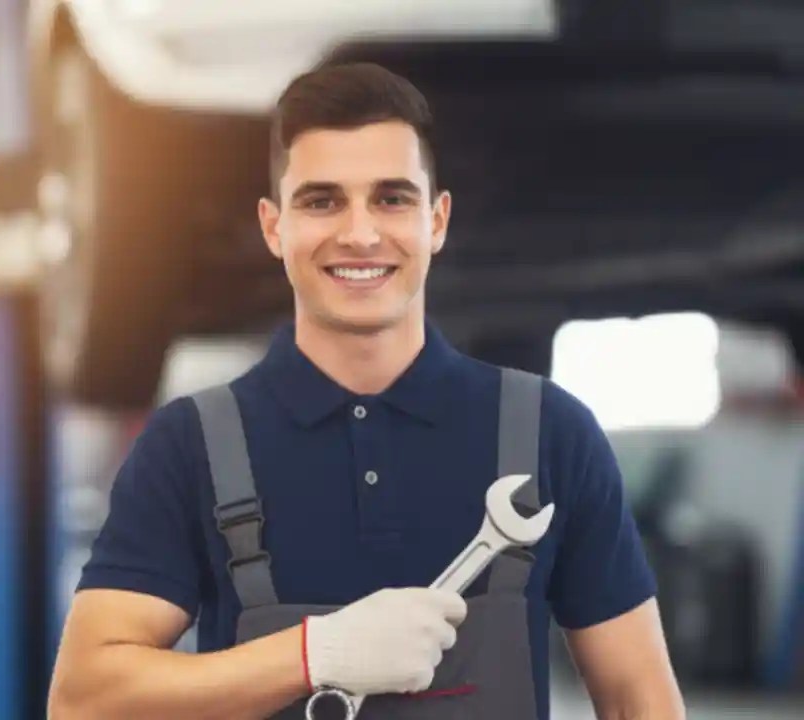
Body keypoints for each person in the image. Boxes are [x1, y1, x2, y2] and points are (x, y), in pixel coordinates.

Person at [47, 62, 685, 719]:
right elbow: (84, 701)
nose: (359, 232)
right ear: (275, 228)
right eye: (322, 200)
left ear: (436, 221)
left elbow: (642, 702)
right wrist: (312, 655)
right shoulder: (191, 446)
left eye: (391, 198)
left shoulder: (550, 434)